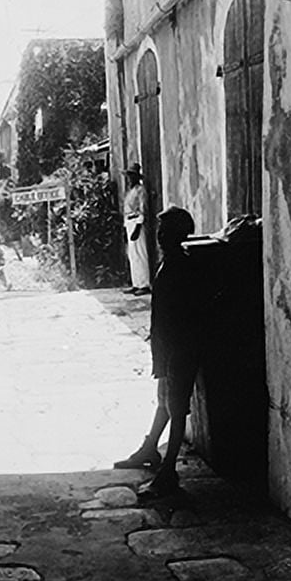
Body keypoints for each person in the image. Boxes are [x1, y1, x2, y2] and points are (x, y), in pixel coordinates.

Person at [113, 205, 204, 497]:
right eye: (161, 231)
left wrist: (169, 350)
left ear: (180, 234)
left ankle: (168, 471)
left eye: (167, 231)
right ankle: (150, 447)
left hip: (179, 348)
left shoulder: (181, 265)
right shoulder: (170, 262)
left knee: (176, 409)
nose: (161, 236)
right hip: (168, 347)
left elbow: (183, 314)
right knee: (164, 400)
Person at [122, 162, 151, 296]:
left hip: (136, 222)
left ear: (136, 177)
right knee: (132, 255)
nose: (129, 179)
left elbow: (143, 209)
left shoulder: (140, 190)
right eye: (128, 176)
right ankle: (136, 283)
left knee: (140, 253)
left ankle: (144, 284)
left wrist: (138, 226)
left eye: (131, 176)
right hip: (129, 222)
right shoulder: (129, 191)